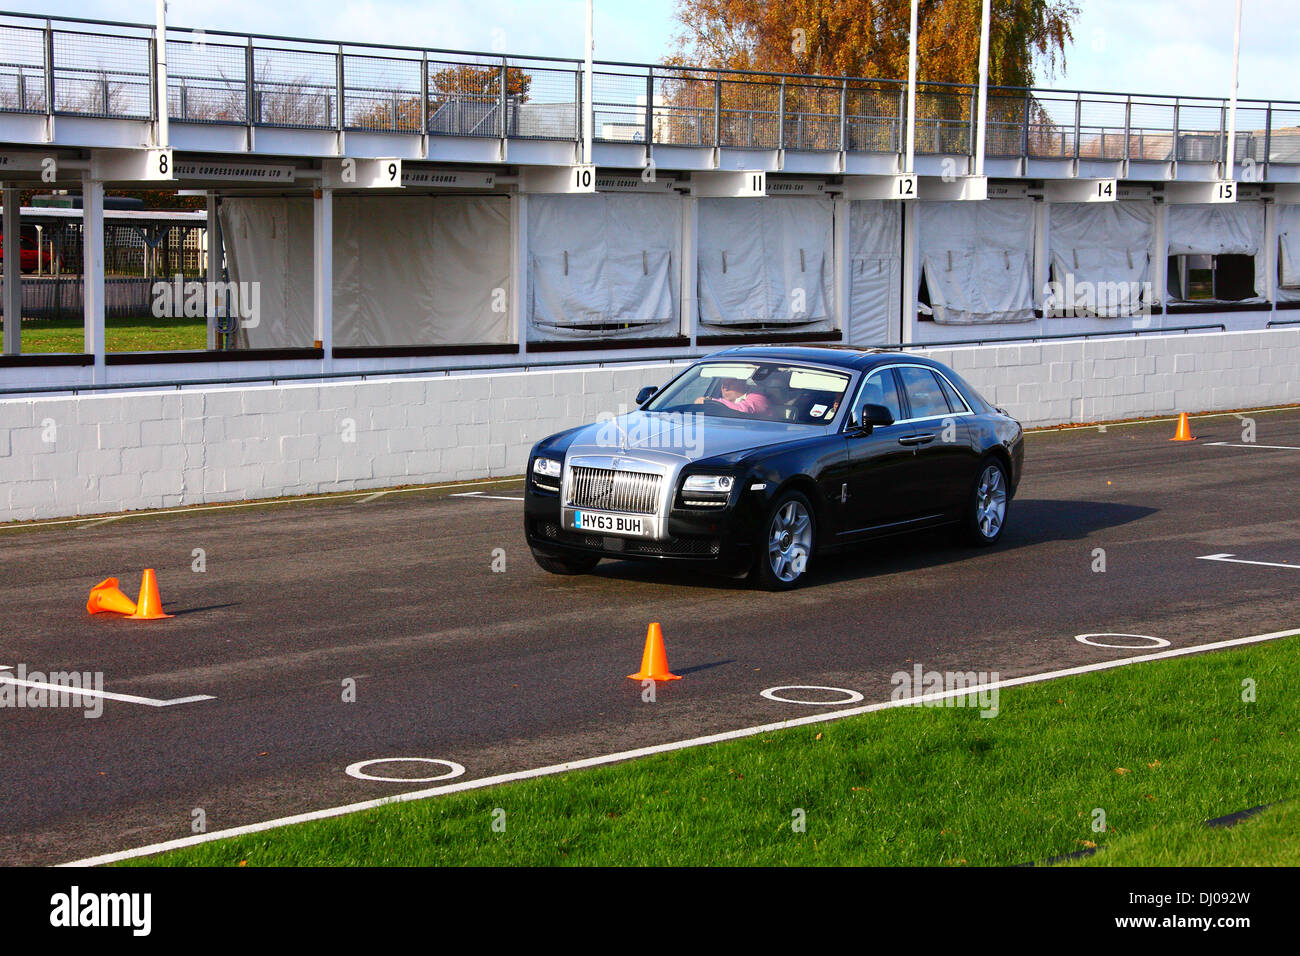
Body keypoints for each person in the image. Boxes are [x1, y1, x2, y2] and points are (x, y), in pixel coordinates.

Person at [696, 377, 771, 415]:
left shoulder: (758, 396)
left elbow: (744, 410)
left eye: (730, 382)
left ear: (743, 383)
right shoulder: (720, 398)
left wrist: (709, 401)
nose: (725, 386)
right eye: (723, 382)